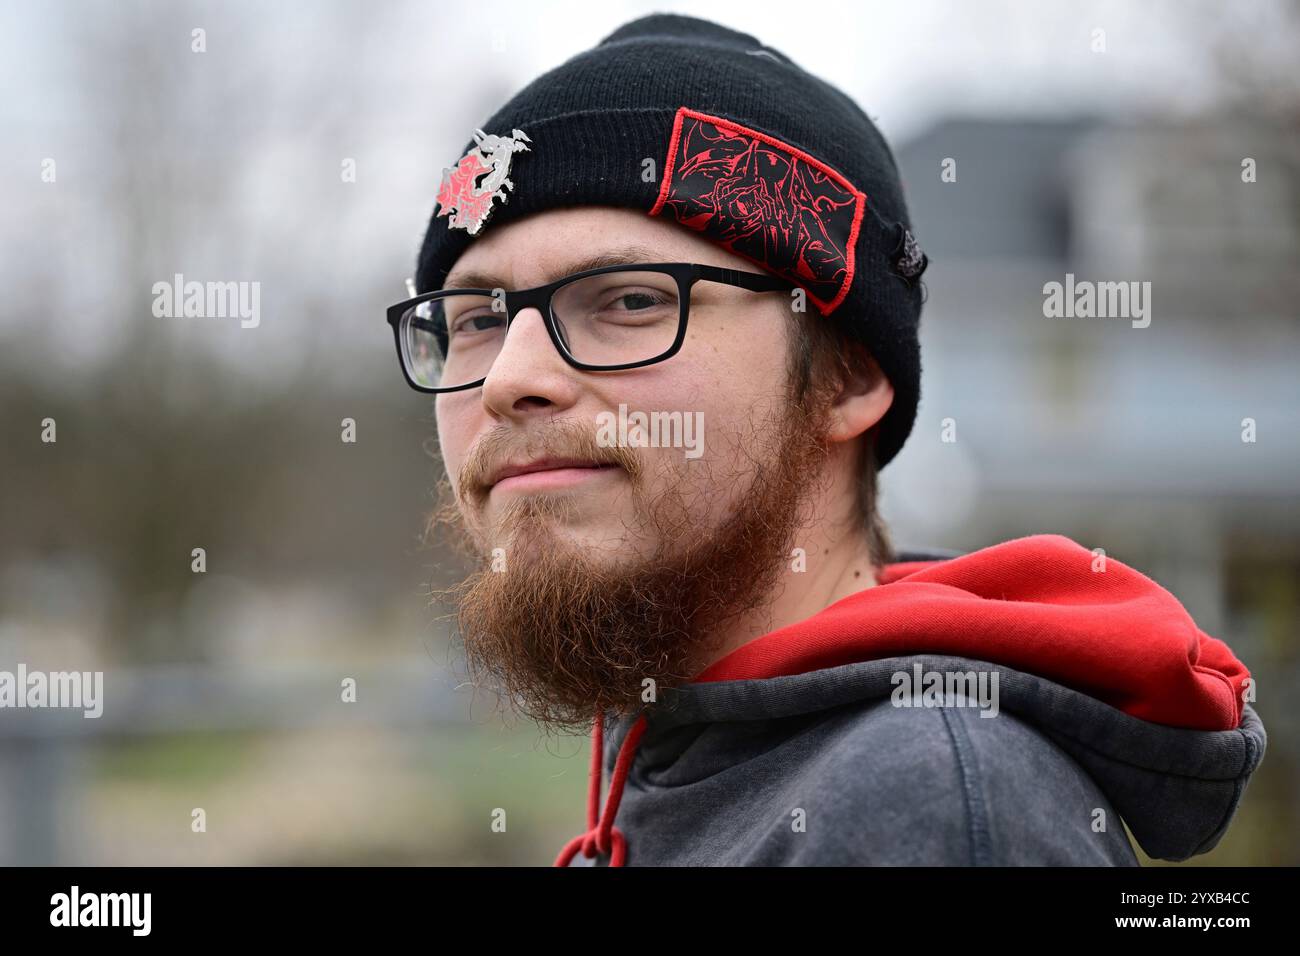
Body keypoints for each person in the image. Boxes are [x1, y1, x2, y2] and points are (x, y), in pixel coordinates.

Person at [387, 12, 1266, 866]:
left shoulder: (929, 803)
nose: (509, 378)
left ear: (846, 376)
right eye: (475, 318)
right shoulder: (683, 757)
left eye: (630, 300)